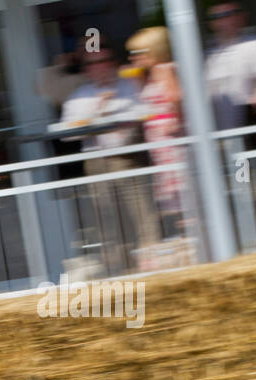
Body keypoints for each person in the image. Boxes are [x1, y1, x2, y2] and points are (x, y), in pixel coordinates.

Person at [60, 47, 160, 270]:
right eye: (94, 63)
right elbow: (69, 132)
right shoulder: (80, 96)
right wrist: (99, 110)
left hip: (127, 157)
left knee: (141, 209)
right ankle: (118, 263)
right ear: (87, 70)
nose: (101, 67)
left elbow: (146, 111)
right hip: (96, 162)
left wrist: (122, 124)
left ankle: (151, 258)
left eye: (105, 60)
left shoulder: (129, 87)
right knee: (106, 214)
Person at [129, 27, 188, 242]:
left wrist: (175, 122)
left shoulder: (165, 69)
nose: (135, 58)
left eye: (140, 52)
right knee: (169, 195)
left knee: (180, 192)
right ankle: (183, 239)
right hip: (158, 141)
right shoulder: (148, 75)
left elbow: (176, 96)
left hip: (171, 140)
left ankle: (190, 237)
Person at [204, 2, 256, 135]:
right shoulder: (208, 53)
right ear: (212, 23)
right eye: (220, 16)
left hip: (255, 124)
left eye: (234, 13)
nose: (230, 19)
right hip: (220, 128)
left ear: (242, 16)